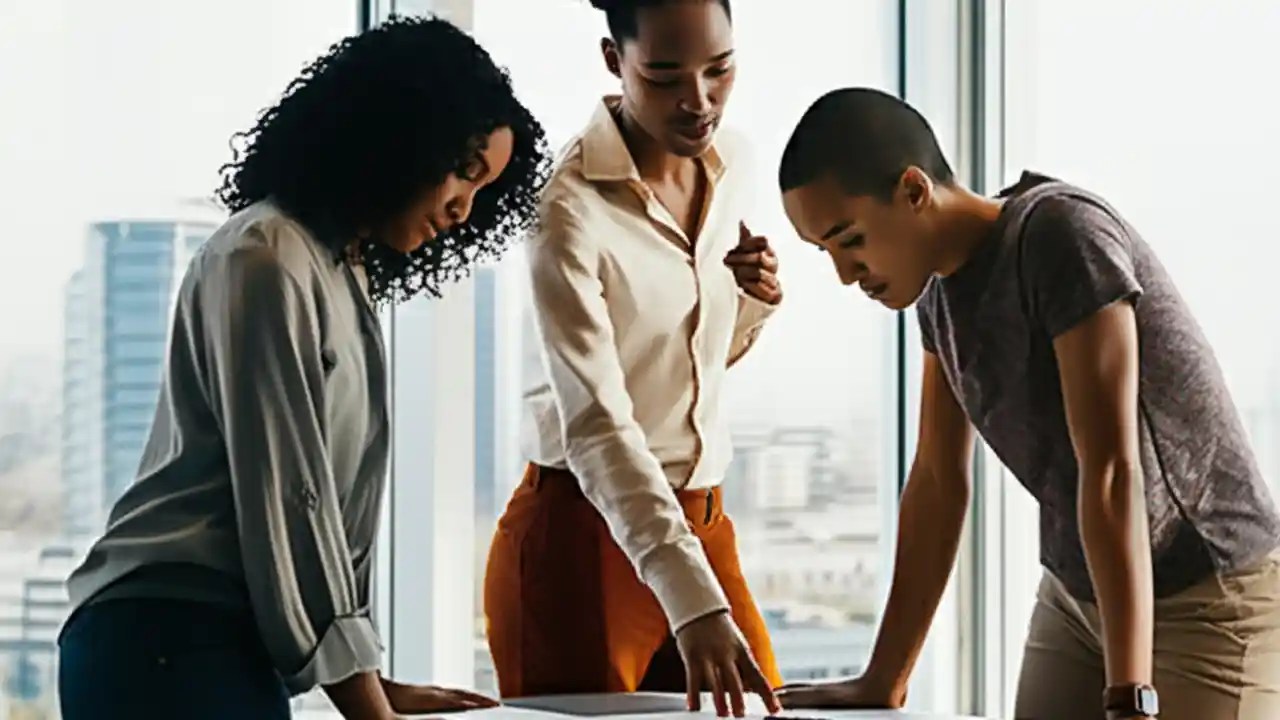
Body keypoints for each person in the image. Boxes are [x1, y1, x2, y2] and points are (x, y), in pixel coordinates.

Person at [56, 16, 551, 720]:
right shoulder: (264, 258)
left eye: (484, 190)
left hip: (218, 643)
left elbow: (321, 511)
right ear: (399, 137)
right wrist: (365, 703)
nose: (464, 210)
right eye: (464, 172)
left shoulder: (335, 268)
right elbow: (293, 499)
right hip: (163, 636)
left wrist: (371, 682)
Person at [772, 87, 1280, 720]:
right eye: (825, 252)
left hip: (1207, 591)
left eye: (850, 240)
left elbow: (1114, 470)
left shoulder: (1061, 233)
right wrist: (885, 678)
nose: (846, 274)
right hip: (1077, 594)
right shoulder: (937, 295)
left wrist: (1129, 695)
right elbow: (935, 479)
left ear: (912, 191)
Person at [482, 1, 784, 716]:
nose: (699, 100)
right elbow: (597, 426)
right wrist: (693, 604)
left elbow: (686, 368)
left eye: (720, 69)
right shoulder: (566, 210)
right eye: (665, 75)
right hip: (583, 539)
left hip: (703, 521)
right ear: (615, 63)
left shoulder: (732, 160)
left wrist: (755, 302)